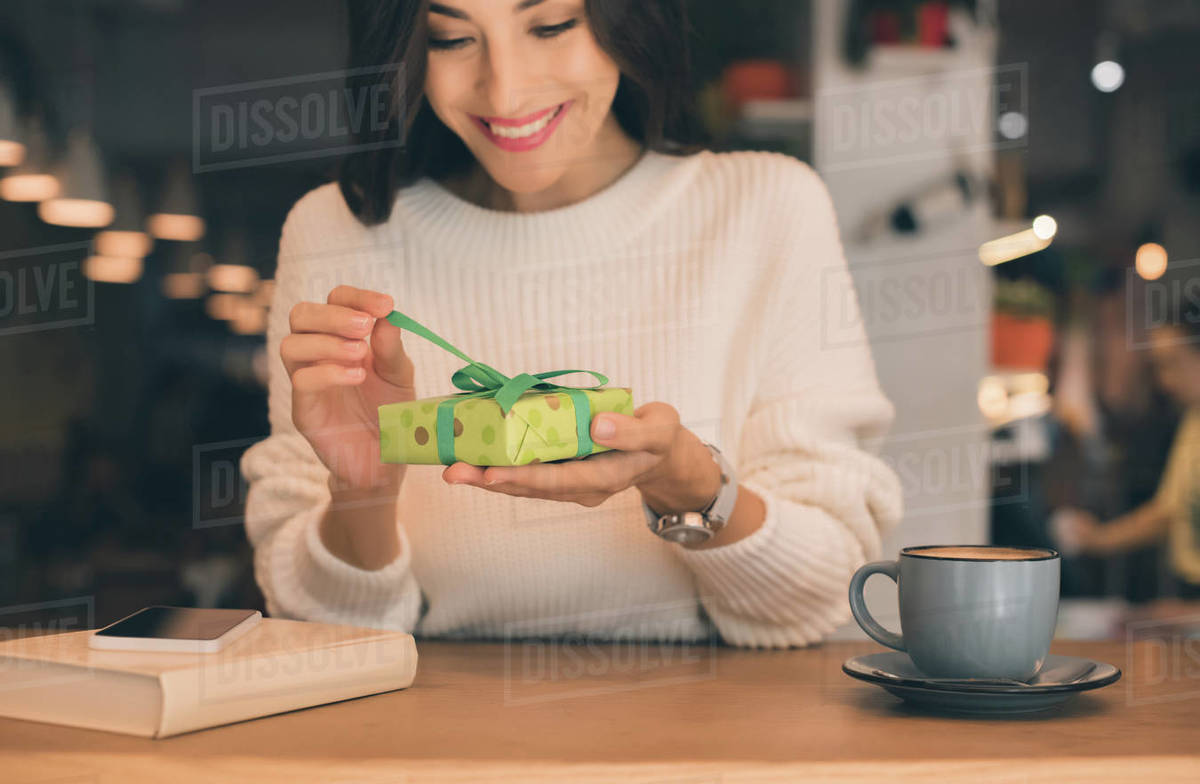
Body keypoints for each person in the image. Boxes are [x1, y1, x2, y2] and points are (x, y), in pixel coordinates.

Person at [239, 0, 903, 646]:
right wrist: (361, 492)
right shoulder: (336, 233)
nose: (505, 92)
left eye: (551, 25)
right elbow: (320, 625)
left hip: (710, 717)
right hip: (428, 718)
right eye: (451, 37)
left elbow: (821, 592)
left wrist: (685, 481)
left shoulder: (766, 208)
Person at [1055, 288, 1200, 598]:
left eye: (1173, 363)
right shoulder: (1193, 421)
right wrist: (1098, 538)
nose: (1164, 380)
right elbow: (1167, 511)